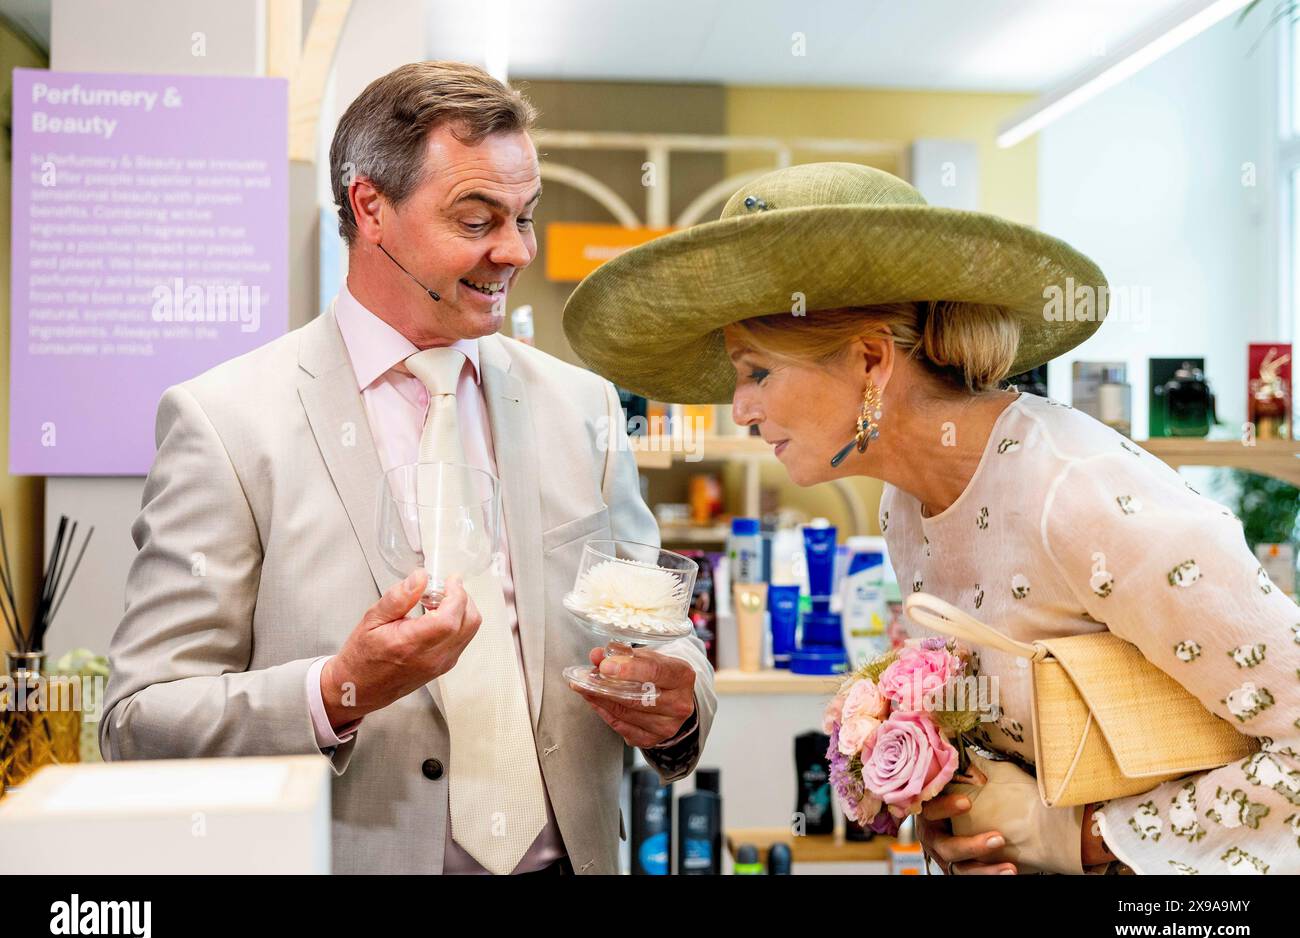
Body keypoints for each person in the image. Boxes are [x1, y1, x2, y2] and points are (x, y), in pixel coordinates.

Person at [563, 161, 1300, 875]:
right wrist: (956, 826)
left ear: (872, 360)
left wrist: (1087, 839)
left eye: (757, 371)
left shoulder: (1077, 493)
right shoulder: (906, 507)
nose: (742, 410)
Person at [100, 61, 715, 875]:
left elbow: (665, 635)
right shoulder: (226, 423)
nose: (515, 251)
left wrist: (678, 706)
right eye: (476, 219)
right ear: (370, 208)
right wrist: (336, 689)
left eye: (525, 217)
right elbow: (137, 720)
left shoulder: (585, 407)